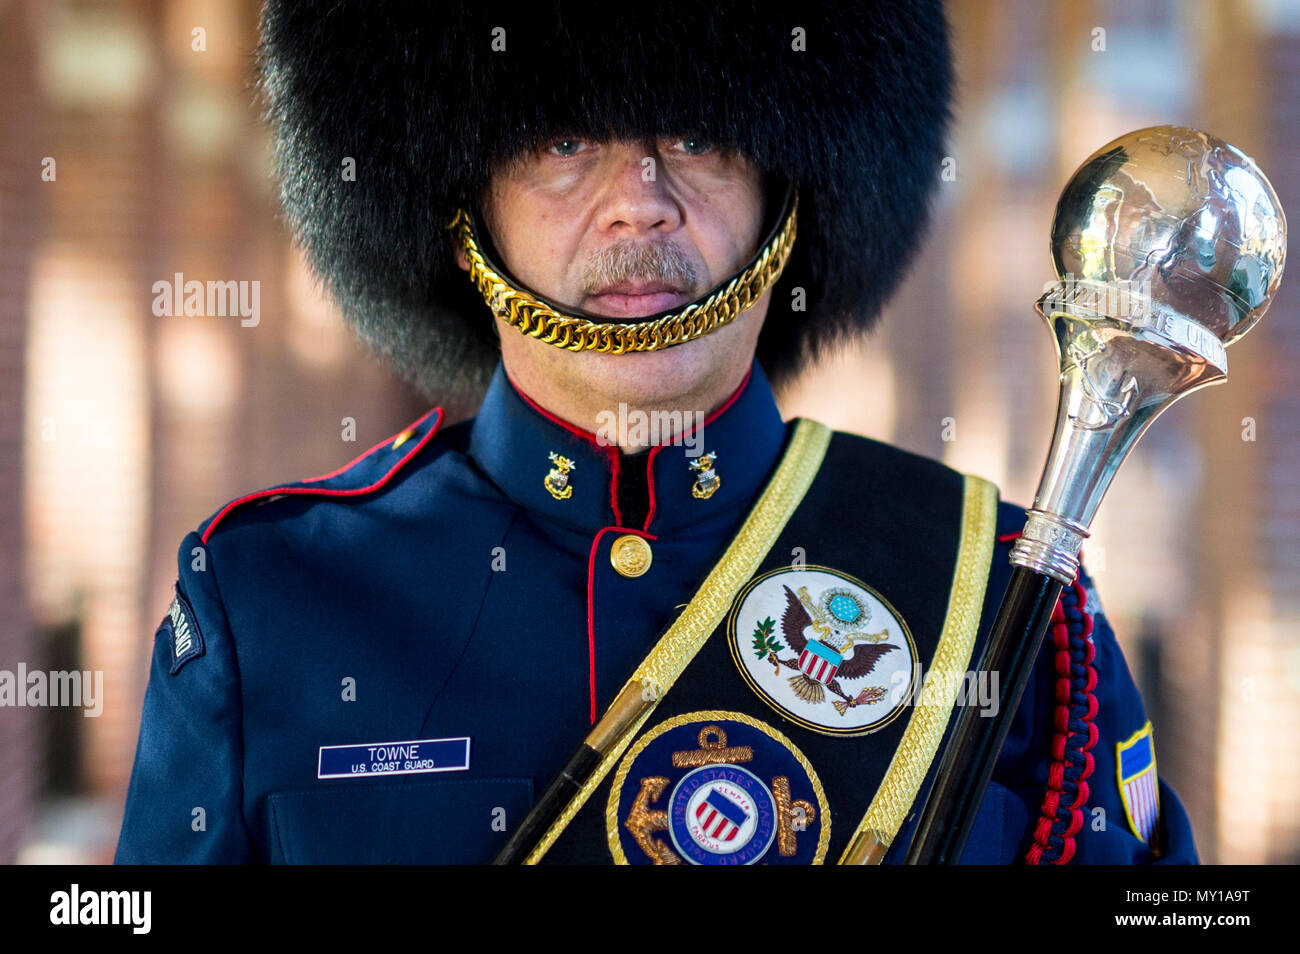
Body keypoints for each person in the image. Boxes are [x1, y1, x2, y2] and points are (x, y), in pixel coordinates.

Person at [115, 1, 1196, 865]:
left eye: (698, 135)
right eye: (562, 141)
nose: (641, 203)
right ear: (458, 214)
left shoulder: (1002, 598)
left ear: (789, 189)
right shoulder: (270, 601)